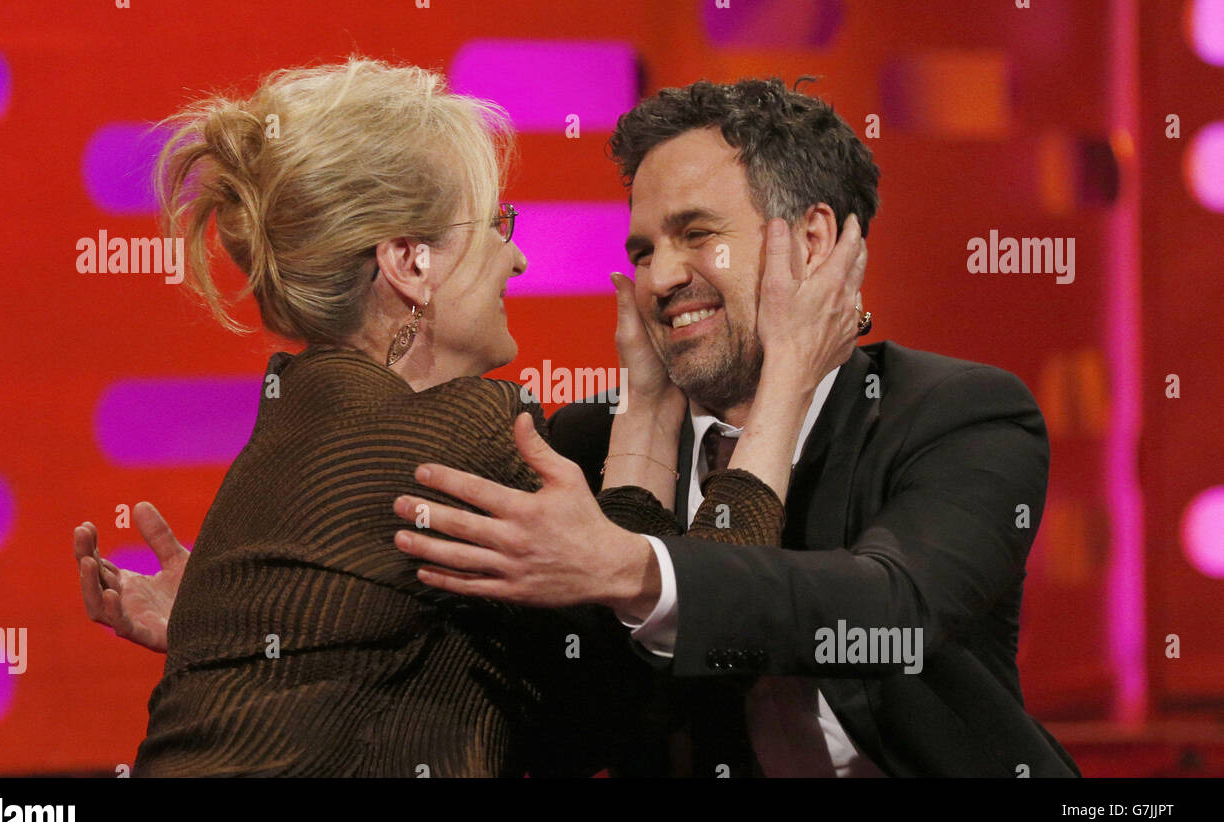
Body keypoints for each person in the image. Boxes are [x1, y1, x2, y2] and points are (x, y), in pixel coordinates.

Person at [74, 60, 864, 776]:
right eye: (496, 226)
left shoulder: (292, 424)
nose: (515, 258)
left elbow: (584, 659)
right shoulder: (460, 433)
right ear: (410, 264)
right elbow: (686, 641)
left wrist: (221, 630)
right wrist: (789, 364)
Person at [391, 78, 1082, 777]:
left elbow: (892, 615)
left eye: (697, 235)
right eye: (643, 250)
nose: (660, 278)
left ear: (812, 241)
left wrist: (635, 570)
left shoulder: (953, 413)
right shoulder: (587, 443)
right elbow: (584, 722)